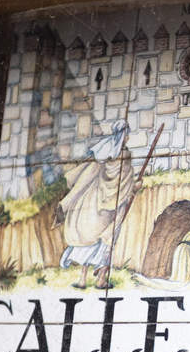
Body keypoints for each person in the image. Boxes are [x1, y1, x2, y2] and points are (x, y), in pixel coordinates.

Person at [58, 121, 141, 290]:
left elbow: (103, 175)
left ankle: (82, 279)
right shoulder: (124, 156)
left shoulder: (106, 154)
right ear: (123, 135)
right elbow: (122, 184)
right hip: (112, 209)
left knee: (89, 240)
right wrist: (135, 186)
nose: (128, 137)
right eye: (127, 134)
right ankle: (101, 280)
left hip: (95, 203)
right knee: (107, 241)